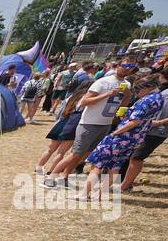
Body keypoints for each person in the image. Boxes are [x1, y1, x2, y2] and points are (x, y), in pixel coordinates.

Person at [44, 60, 134, 188]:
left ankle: (64, 176)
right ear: (118, 66)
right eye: (125, 66)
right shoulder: (103, 82)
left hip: (105, 124)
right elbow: (84, 101)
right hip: (89, 122)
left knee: (87, 155)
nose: (127, 69)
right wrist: (108, 94)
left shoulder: (127, 85)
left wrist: (126, 97)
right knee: (75, 153)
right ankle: (50, 177)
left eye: (130, 66)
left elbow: (122, 104)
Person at [82, 73, 163, 197]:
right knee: (115, 166)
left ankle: (83, 194)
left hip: (123, 136)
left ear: (147, 87)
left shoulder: (146, 100)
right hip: (135, 138)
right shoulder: (159, 98)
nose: (136, 93)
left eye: (138, 89)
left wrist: (116, 132)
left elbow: (134, 121)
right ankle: (99, 194)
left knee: (97, 163)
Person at [121, 65, 168, 191]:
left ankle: (125, 185)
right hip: (145, 127)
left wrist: (160, 122)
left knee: (137, 157)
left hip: (159, 131)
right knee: (131, 154)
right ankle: (124, 181)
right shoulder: (165, 91)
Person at [35, 80, 93, 174]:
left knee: (50, 149)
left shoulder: (72, 96)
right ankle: (51, 171)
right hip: (72, 125)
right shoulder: (86, 99)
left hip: (62, 122)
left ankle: (38, 168)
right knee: (61, 152)